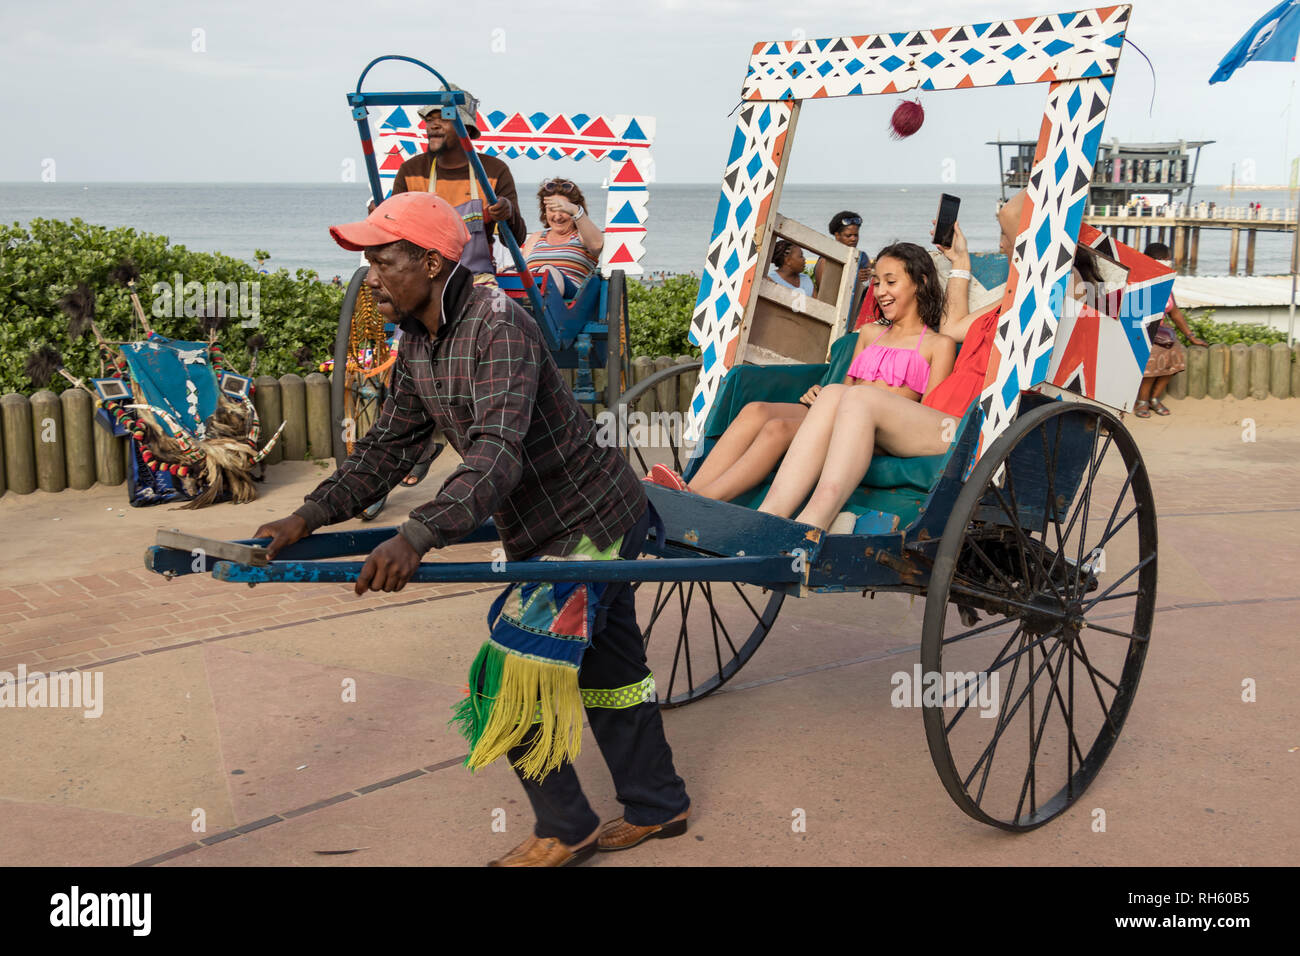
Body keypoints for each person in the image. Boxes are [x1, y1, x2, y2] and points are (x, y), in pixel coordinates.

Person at [253, 193, 690, 866]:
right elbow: (389, 448)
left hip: (590, 525)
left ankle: (565, 826)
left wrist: (418, 534)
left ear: (430, 262)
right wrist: (309, 514)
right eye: (369, 260)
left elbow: (495, 454)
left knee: (502, 679)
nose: (372, 276)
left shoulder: (498, 325)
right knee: (612, 672)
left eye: (383, 259)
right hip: (550, 527)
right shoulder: (418, 340)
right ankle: (661, 804)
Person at [755, 192, 1033, 530]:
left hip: (969, 427)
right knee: (833, 393)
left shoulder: (1043, 298)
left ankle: (813, 523)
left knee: (860, 397)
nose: (1002, 245)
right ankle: (771, 517)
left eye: (1006, 235)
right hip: (936, 419)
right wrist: (960, 263)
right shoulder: (1007, 298)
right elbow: (954, 326)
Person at [648, 242, 955, 502]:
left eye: (891, 282)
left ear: (921, 282)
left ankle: (700, 502)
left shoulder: (937, 344)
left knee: (777, 429)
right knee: (755, 410)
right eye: (876, 283)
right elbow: (848, 386)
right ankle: (689, 489)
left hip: (878, 433)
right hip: (836, 413)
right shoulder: (869, 333)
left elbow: (928, 415)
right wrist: (821, 394)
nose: (880, 292)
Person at [388, 83, 527, 284]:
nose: (433, 125)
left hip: (475, 278)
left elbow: (515, 240)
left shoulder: (494, 171)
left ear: (467, 129)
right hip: (420, 278)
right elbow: (395, 235)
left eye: (444, 118)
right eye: (429, 120)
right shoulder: (410, 171)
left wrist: (508, 214)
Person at [1134, 241, 1206, 418]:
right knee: (1152, 362)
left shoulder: (1166, 284)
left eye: (1168, 260)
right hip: (1143, 330)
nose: (1168, 263)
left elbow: (1175, 312)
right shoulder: (1139, 281)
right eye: (1165, 260)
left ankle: (1154, 398)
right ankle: (1142, 401)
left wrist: (1190, 336)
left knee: (1174, 360)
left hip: (1162, 331)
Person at [521, 178, 603, 296]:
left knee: (547, 272)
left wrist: (574, 209)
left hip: (568, 302)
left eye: (563, 210)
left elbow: (597, 245)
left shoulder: (582, 237)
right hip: (530, 294)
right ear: (544, 211)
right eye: (552, 210)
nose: (557, 216)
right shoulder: (536, 238)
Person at [813, 210, 872, 297]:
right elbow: (826, 293)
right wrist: (853, 278)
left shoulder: (862, 257)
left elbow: (869, 284)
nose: (853, 239)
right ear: (837, 235)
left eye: (856, 235)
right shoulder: (826, 260)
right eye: (848, 235)